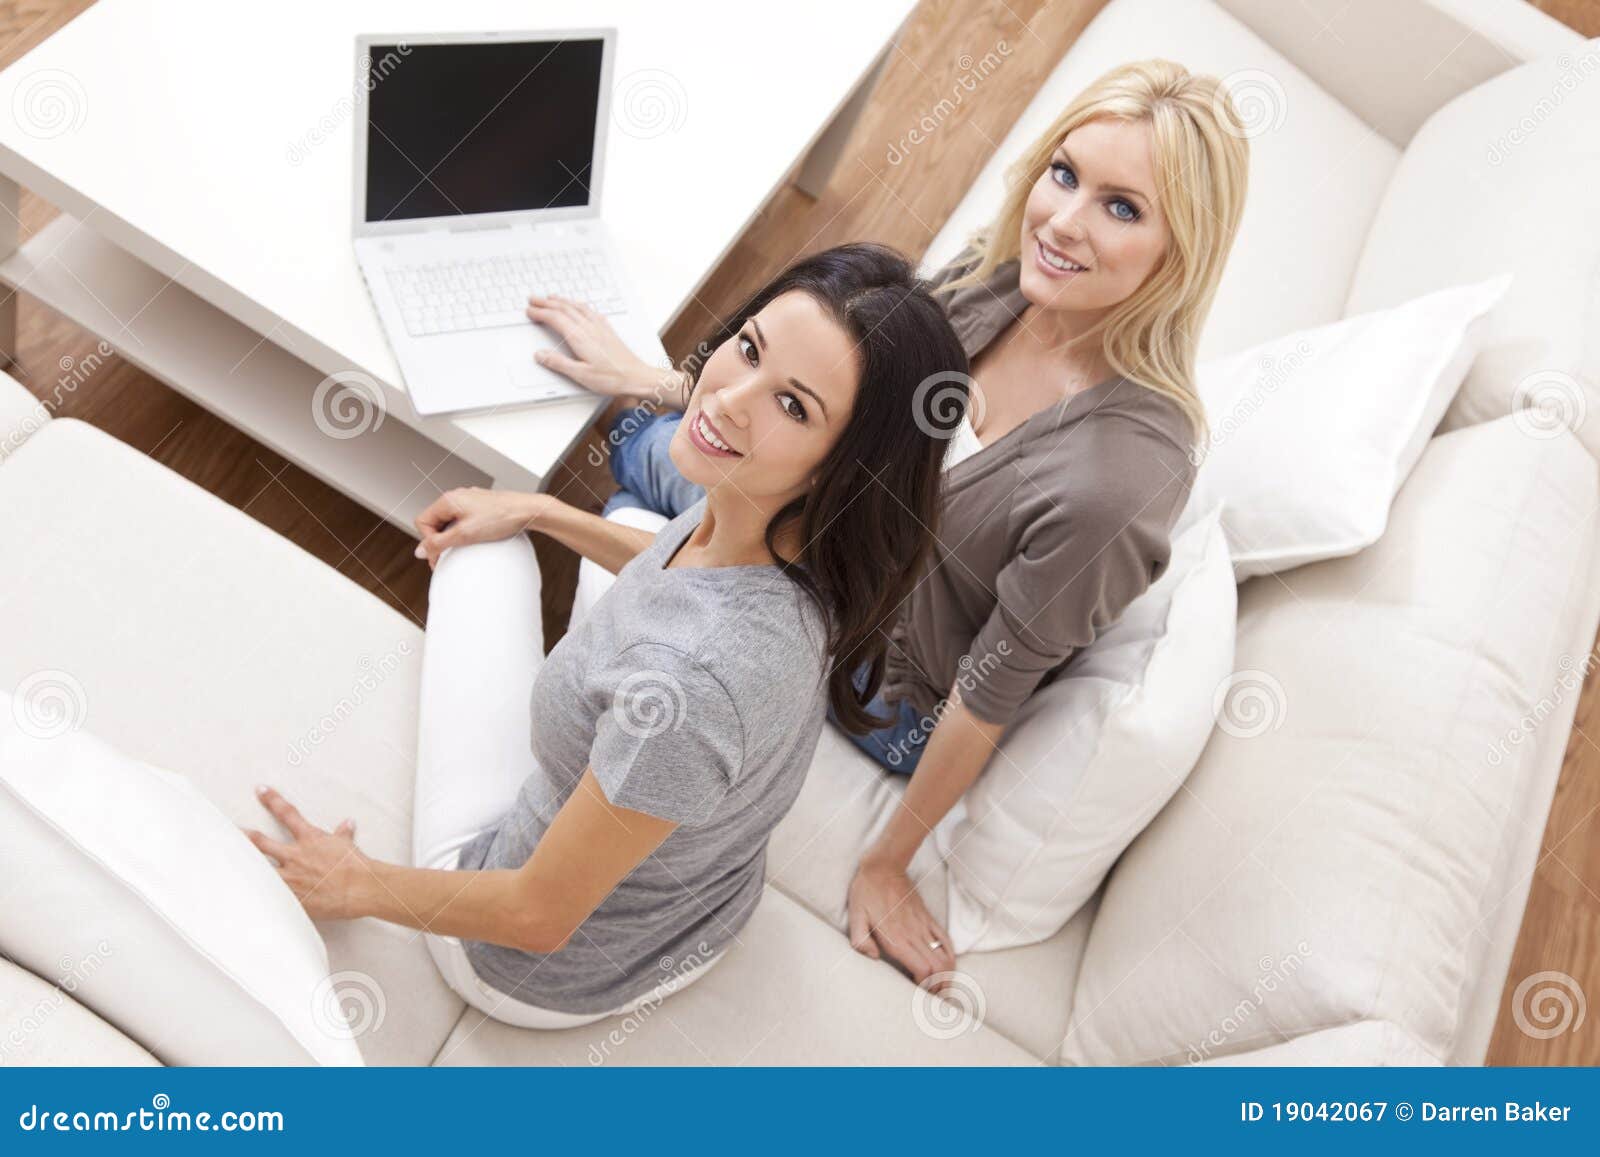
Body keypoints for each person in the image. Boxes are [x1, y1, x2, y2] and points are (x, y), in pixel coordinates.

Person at [514, 60, 1252, 988]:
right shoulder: (1008, 284)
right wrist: (656, 378)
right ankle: (651, 463)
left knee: (643, 464)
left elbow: (991, 687)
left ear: (1180, 253)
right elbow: (844, 399)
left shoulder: (1121, 478)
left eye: (1122, 207)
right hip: (835, 523)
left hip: (889, 685)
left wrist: (887, 858)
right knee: (639, 436)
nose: (1063, 222)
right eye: (1065, 175)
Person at [243, 243, 969, 1026]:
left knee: (479, 558)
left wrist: (353, 880)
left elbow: (537, 914)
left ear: (842, 466)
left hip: (526, 965)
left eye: (793, 406)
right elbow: (671, 563)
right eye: (750, 348)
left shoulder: (693, 687)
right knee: (623, 514)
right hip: (693, 907)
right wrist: (540, 511)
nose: (728, 401)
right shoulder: (794, 537)